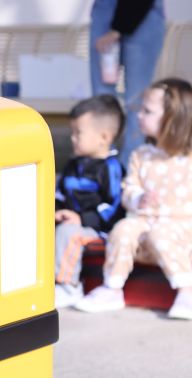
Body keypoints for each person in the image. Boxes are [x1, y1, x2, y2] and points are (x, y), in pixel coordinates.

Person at [77, 78, 192, 320]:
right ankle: (112, 288)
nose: (140, 115)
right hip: (145, 231)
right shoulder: (141, 155)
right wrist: (138, 198)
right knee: (123, 228)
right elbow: (129, 189)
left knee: (160, 232)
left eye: (148, 111)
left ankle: (186, 289)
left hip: (181, 235)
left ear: (174, 118)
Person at [53, 95, 127, 308]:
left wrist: (82, 219)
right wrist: (57, 210)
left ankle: (69, 286)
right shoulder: (73, 165)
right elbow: (60, 194)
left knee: (69, 234)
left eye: (78, 133)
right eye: (72, 132)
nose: (72, 139)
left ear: (104, 137)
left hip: (99, 231)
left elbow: (113, 207)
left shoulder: (111, 168)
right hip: (72, 223)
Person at [89, 0, 165, 165]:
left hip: (143, 13)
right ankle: (101, 167)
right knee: (103, 100)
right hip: (105, 9)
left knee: (137, 101)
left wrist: (118, 28)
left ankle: (131, 167)